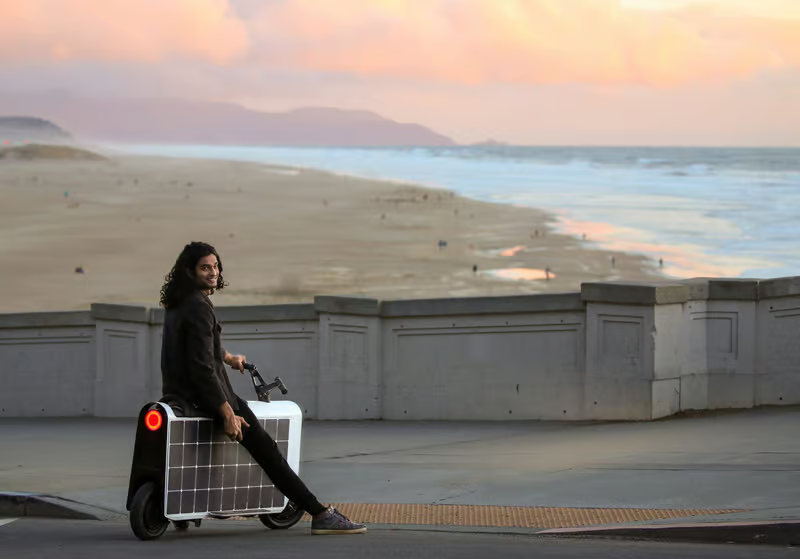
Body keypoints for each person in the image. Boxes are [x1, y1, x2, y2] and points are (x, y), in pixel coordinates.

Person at [159, 241, 366, 535]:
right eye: (205, 267)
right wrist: (227, 411)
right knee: (268, 452)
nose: (214, 272)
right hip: (210, 396)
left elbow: (197, 348)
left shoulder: (178, 303)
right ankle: (321, 514)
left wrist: (229, 358)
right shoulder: (199, 307)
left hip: (178, 395)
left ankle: (180, 512)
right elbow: (202, 367)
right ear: (190, 271)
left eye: (216, 266)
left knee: (191, 454)